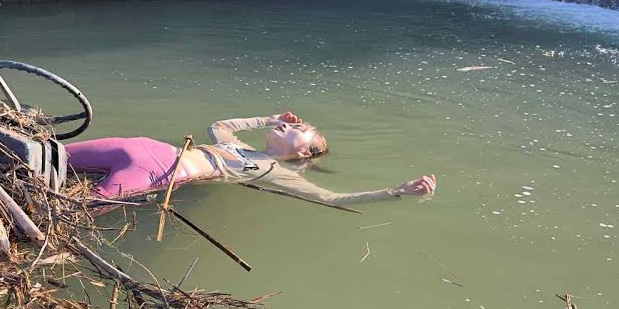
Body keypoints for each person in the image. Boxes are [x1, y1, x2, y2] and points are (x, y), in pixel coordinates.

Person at [64, 111, 436, 208]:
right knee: (48, 156)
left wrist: (395, 192)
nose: (293, 124)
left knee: (78, 207)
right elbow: (218, 125)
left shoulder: (273, 171)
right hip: (148, 148)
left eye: (299, 128)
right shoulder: (240, 144)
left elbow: (330, 199)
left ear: (303, 152)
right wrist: (268, 119)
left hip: (160, 172)